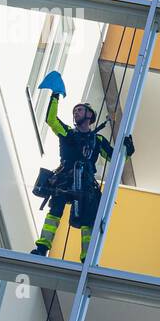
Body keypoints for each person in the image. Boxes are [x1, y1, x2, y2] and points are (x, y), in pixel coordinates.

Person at [31, 77, 133, 261]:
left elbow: (115, 158)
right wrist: (55, 95)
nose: (76, 113)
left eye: (80, 110)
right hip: (64, 180)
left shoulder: (98, 140)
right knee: (55, 212)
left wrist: (127, 149)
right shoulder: (68, 133)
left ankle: (86, 257)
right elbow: (51, 119)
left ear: (89, 116)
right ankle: (41, 247)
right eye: (75, 111)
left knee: (88, 220)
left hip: (85, 183)